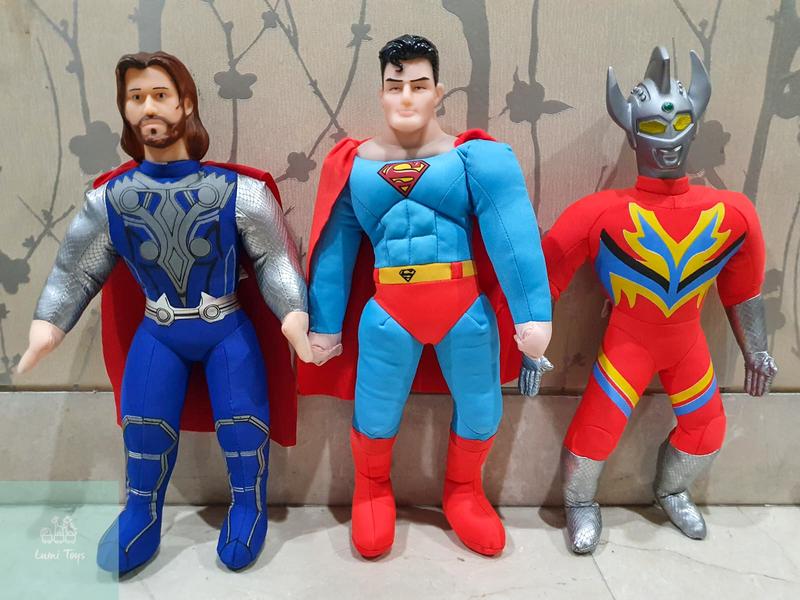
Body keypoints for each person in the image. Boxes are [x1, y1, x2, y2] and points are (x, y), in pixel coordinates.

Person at [18, 51, 312, 573]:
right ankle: (141, 512)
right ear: (124, 109)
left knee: (242, 429)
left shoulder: (240, 193)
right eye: (135, 97)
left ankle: (248, 507)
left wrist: (292, 313)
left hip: (226, 327)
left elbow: (274, 260)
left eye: (159, 95)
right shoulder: (109, 200)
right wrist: (48, 325)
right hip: (160, 330)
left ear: (186, 103)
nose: (148, 107)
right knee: (144, 429)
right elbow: (75, 271)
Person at [302, 34, 552, 558]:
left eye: (419, 85)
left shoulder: (475, 158)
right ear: (381, 92)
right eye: (395, 86)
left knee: (482, 409)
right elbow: (334, 251)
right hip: (389, 310)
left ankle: (464, 490)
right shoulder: (353, 166)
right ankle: (372, 489)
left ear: (439, 91)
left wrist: (532, 314)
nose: (406, 97)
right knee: (375, 411)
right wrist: (323, 325)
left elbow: (512, 235)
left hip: (463, 308)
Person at [542, 47, 778, 554]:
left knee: (708, 429)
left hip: (685, 343)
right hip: (628, 343)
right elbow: (546, 278)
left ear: (696, 126)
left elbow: (744, 289)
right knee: (596, 431)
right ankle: (579, 502)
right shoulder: (598, 214)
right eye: (653, 127)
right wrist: (526, 339)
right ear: (631, 133)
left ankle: (671, 489)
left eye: (680, 124)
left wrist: (756, 349)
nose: (668, 139)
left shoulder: (733, 213)